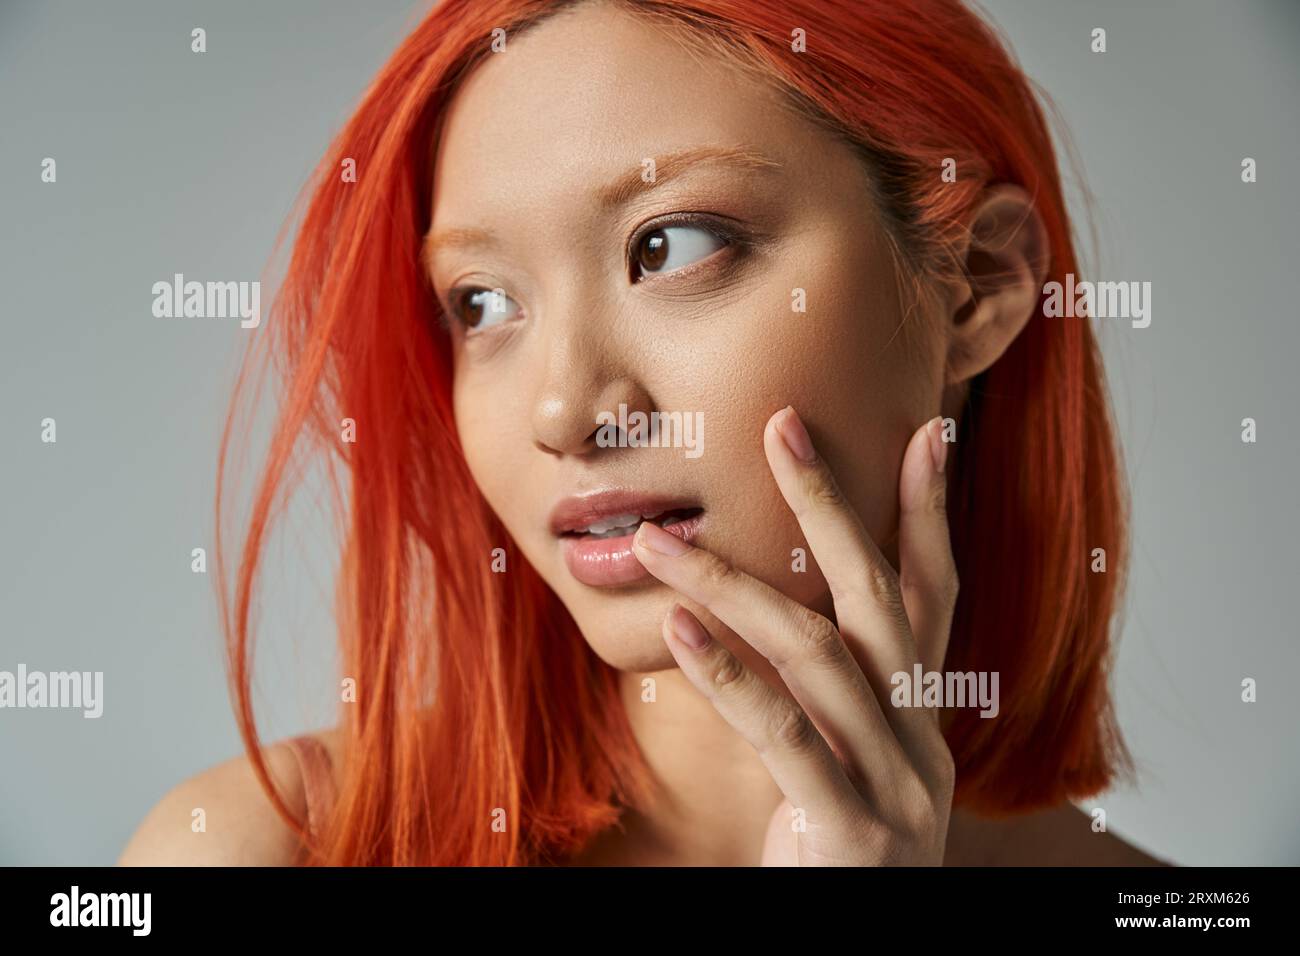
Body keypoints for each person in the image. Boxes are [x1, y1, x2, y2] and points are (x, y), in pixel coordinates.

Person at [121, 0, 1166, 866]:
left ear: (976, 284)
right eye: (482, 303)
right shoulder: (260, 849)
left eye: (670, 246)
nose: (563, 411)